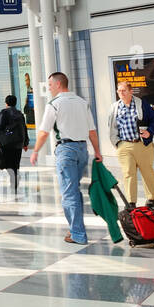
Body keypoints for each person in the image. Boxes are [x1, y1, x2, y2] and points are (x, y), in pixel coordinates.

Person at [29, 72, 102, 245]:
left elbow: (44, 131)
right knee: (74, 190)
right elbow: (92, 131)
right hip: (82, 150)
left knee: (69, 193)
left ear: (59, 84)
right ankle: (75, 229)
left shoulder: (54, 104)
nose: (49, 88)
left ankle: (78, 234)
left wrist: (35, 150)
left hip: (66, 150)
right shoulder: (82, 103)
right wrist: (97, 152)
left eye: (50, 85)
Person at [106, 81, 154, 206]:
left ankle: (151, 199)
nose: (121, 93)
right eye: (119, 91)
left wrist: (149, 132)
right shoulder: (115, 107)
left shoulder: (141, 104)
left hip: (142, 144)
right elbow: (111, 126)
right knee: (128, 174)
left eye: (124, 90)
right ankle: (131, 202)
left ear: (131, 91)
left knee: (147, 172)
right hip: (124, 145)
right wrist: (117, 143)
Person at [0, 95, 29, 193]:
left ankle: (14, 179)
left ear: (6, 103)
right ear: (15, 103)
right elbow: (24, 129)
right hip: (18, 143)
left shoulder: (4, 113)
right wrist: (25, 143)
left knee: (7, 162)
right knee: (15, 163)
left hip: (6, 143)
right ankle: (15, 179)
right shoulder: (20, 114)